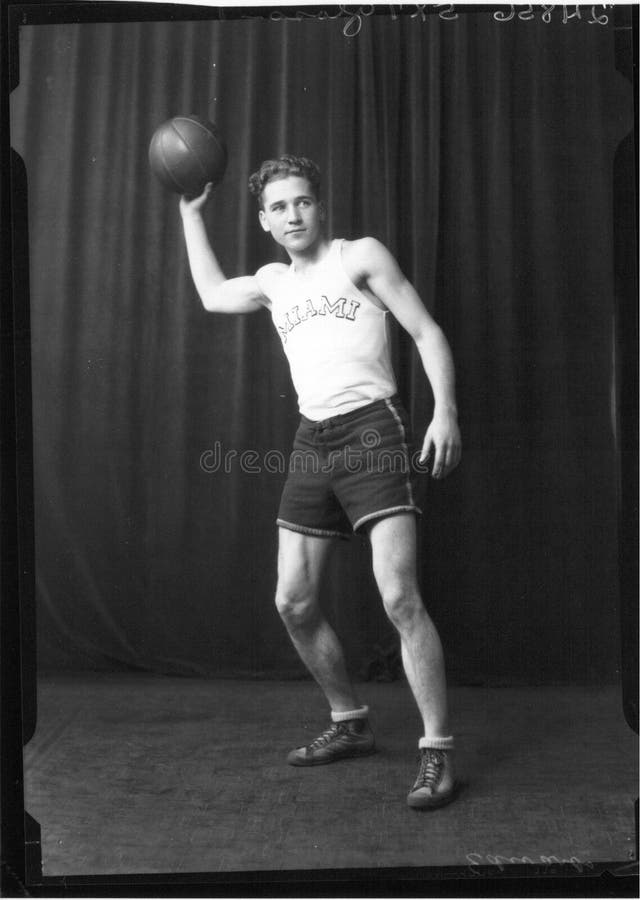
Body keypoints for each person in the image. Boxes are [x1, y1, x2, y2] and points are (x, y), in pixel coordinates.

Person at [179, 155, 462, 810]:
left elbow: (426, 331)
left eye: (302, 201)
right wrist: (190, 215)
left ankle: (438, 751)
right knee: (292, 601)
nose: (293, 214)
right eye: (279, 207)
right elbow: (213, 295)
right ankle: (349, 722)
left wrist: (445, 410)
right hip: (313, 439)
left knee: (399, 596)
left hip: (372, 429)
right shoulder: (274, 281)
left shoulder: (359, 256)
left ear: (320, 204)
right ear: (265, 221)